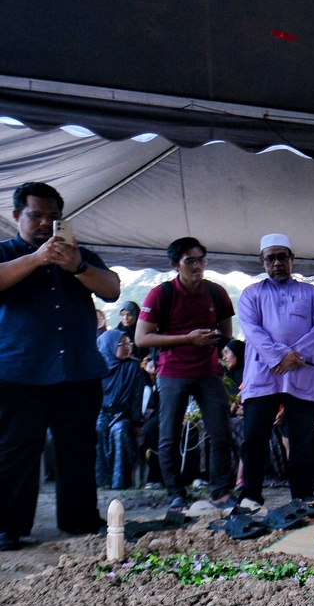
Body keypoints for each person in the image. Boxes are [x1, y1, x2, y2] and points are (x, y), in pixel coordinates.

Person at [0, 181, 121, 550]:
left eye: (52, 216)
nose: (44, 223)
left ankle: (79, 518)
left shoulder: (80, 254)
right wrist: (36, 259)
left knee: (79, 449)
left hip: (78, 371)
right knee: (16, 450)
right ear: (17, 215)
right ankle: (7, 526)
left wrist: (77, 265)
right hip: (20, 372)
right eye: (35, 215)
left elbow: (112, 289)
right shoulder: (6, 252)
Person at [135, 237, 238, 511]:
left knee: (221, 433)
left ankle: (220, 492)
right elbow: (141, 338)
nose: (197, 266)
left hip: (209, 371)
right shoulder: (161, 294)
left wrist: (215, 342)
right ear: (175, 264)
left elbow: (226, 334)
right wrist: (187, 339)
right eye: (189, 260)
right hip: (172, 372)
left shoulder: (216, 292)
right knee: (168, 435)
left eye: (201, 260)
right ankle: (175, 494)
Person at [238, 233, 314, 508]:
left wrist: (295, 355)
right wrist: (281, 356)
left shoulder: (311, 294)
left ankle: (302, 495)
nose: (277, 263)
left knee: (302, 439)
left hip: (302, 373)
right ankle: (250, 496)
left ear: (292, 259)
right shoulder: (251, 294)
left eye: (282, 257)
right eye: (271, 258)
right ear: (262, 261)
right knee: (254, 437)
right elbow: (251, 330)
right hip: (263, 375)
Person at [94, 329, 146, 489]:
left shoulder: (133, 367)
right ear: (109, 346)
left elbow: (137, 398)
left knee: (119, 430)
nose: (127, 347)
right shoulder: (98, 368)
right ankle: (101, 480)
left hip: (124, 414)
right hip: (102, 412)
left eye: (128, 343)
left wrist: (137, 422)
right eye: (121, 344)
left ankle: (120, 481)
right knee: (97, 429)